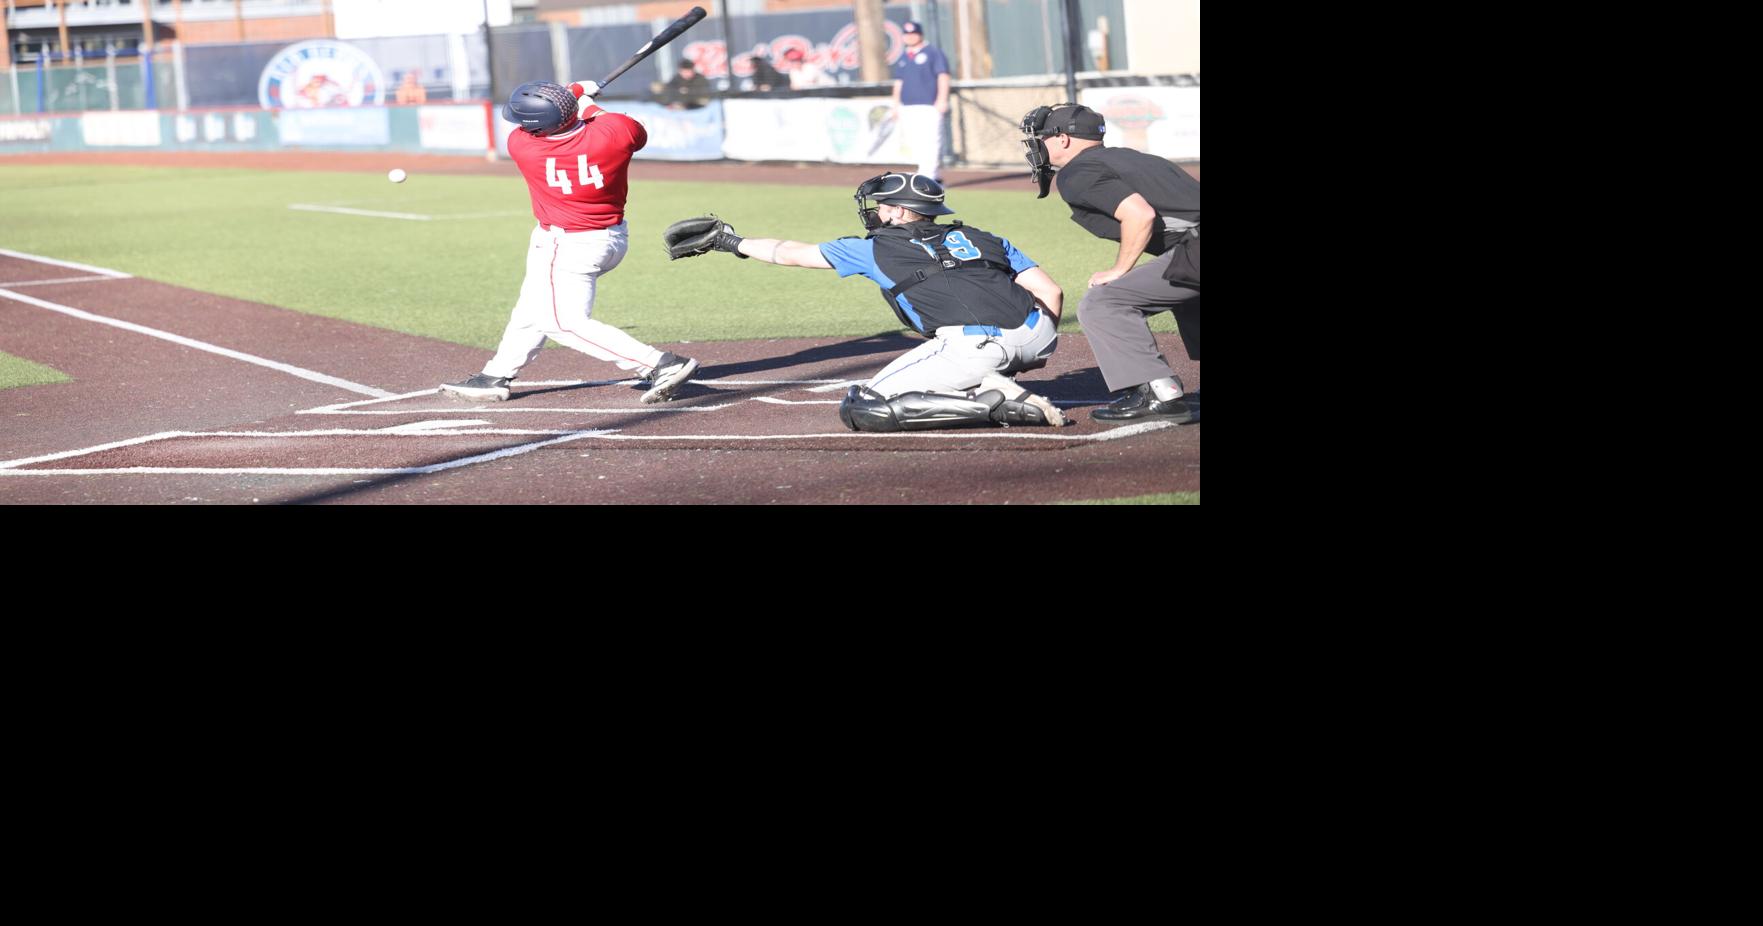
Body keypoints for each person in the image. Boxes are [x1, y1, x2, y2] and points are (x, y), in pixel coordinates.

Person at [665, 172, 1066, 432]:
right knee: (988, 348)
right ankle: (1000, 377)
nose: (876, 213)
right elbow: (1052, 292)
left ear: (900, 211)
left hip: (973, 347)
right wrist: (1032, 347)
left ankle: (996, 405)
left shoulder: (871, 249)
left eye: (881, 206)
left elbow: (790, 252)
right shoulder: (983, 236)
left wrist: (729, 241)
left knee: (864, 407)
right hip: (1039, 331)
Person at [439, 80, 698, 403]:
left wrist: (577, 88)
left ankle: (660, 364)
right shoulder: (617, 132)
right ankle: (497, 374)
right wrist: (584, 99)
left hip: (568, 246)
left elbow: (565, 111)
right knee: (532, 306)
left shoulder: (522, 146)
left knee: (561, 322)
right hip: (610, 239)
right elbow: (613, 123)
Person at [1019, 102, 1200, 424]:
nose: (1037, 147)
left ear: (1062, 139)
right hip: (1192, 248)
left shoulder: (1078, 171)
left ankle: (1158, 391)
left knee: (1105, 302)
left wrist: (1119, 270)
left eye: (1042, 138)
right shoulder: (1131, 157)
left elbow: (1138, 214)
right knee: (1186, 289)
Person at [890, 21, 949, 182]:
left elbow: (943, 76)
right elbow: (898, 82)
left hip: (929, 105)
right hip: (907, 107)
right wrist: (895, 105)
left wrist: (942, 99)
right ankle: (933, 177)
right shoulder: (903, 56)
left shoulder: (932, 52)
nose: (909, 37)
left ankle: (928, 177)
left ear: (920, 34)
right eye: (906, 34)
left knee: (931, 141)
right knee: (915, 143)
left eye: (913, 33)